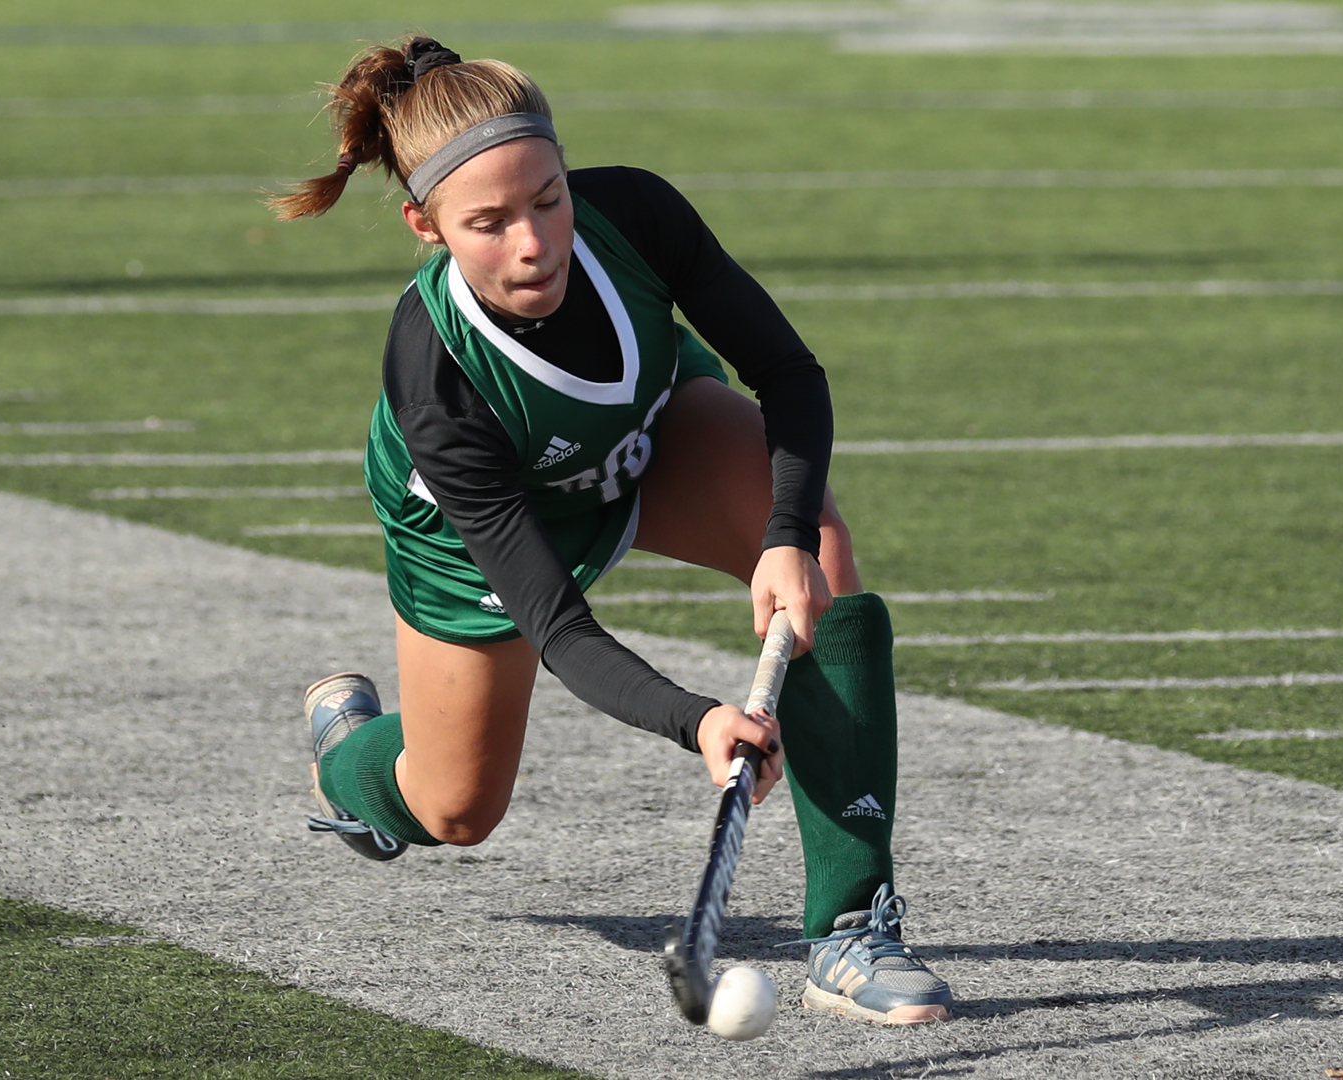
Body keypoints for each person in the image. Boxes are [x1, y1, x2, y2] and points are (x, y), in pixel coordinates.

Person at [270, 36, 950, 1026]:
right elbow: (559, 626)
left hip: (642, 434)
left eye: (547, 199)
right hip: (474, 537)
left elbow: (788, 373)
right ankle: (349, 758)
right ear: (426, 225)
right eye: (488, 223)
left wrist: (784, 537)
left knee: (818, 551)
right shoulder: (436, 378)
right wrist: (697, 719)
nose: (534, 242)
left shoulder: (633, 213)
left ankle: (852, 928)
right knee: (455, 809)